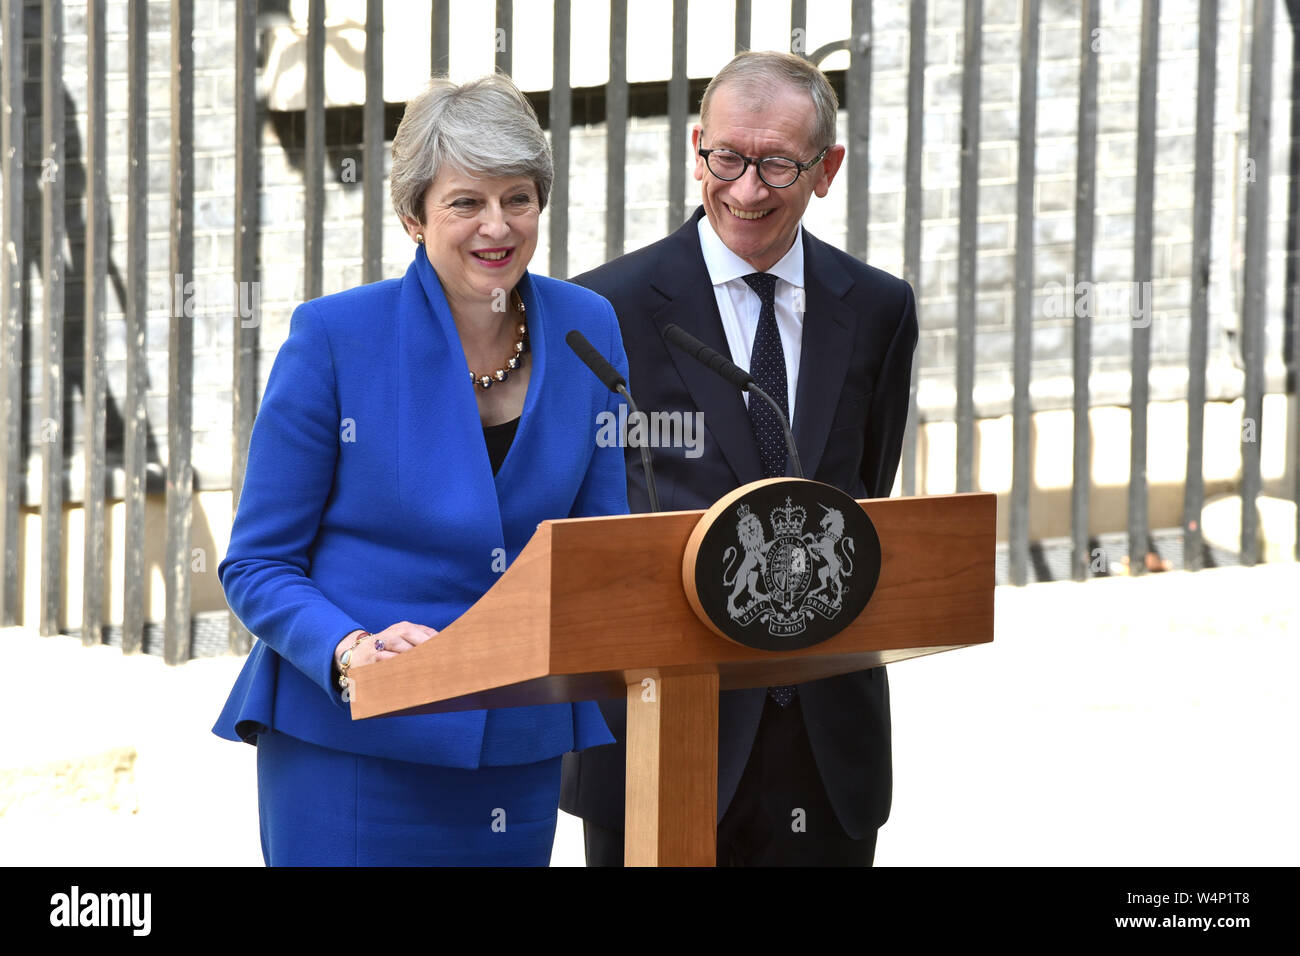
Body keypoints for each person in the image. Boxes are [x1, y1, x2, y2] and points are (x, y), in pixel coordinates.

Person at [213, 73, 630, 866]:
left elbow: (598, 545)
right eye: (465, 202)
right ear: (413, 215)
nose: (497, 226)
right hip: (359, 742)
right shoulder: (336, 337)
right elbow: (258, 563)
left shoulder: (589, 329)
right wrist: (350, 647)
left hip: (519, 741)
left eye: (518, 198)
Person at [561, 51, 917, 866]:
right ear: (696, 150)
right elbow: (585, 515)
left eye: (777, 165)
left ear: (826, 170)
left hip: (825, 739)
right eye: (727, 158)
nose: (747, 190)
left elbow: (865, 490)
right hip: (658, 731)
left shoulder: (878, 309)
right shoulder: (601, 309)